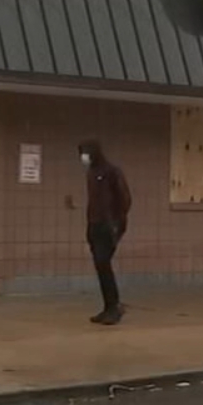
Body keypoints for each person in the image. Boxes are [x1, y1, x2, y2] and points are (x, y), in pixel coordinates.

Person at [79, 138, 131, 325]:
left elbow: (124, 199)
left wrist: (116, 222)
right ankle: (108, 306)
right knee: (101, 267)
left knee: (104, 263)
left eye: (86, 153)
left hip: (109, 226)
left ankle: (114, 306)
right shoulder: (91, 174)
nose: (83, 157)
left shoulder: (111, 172)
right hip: (95, 225)